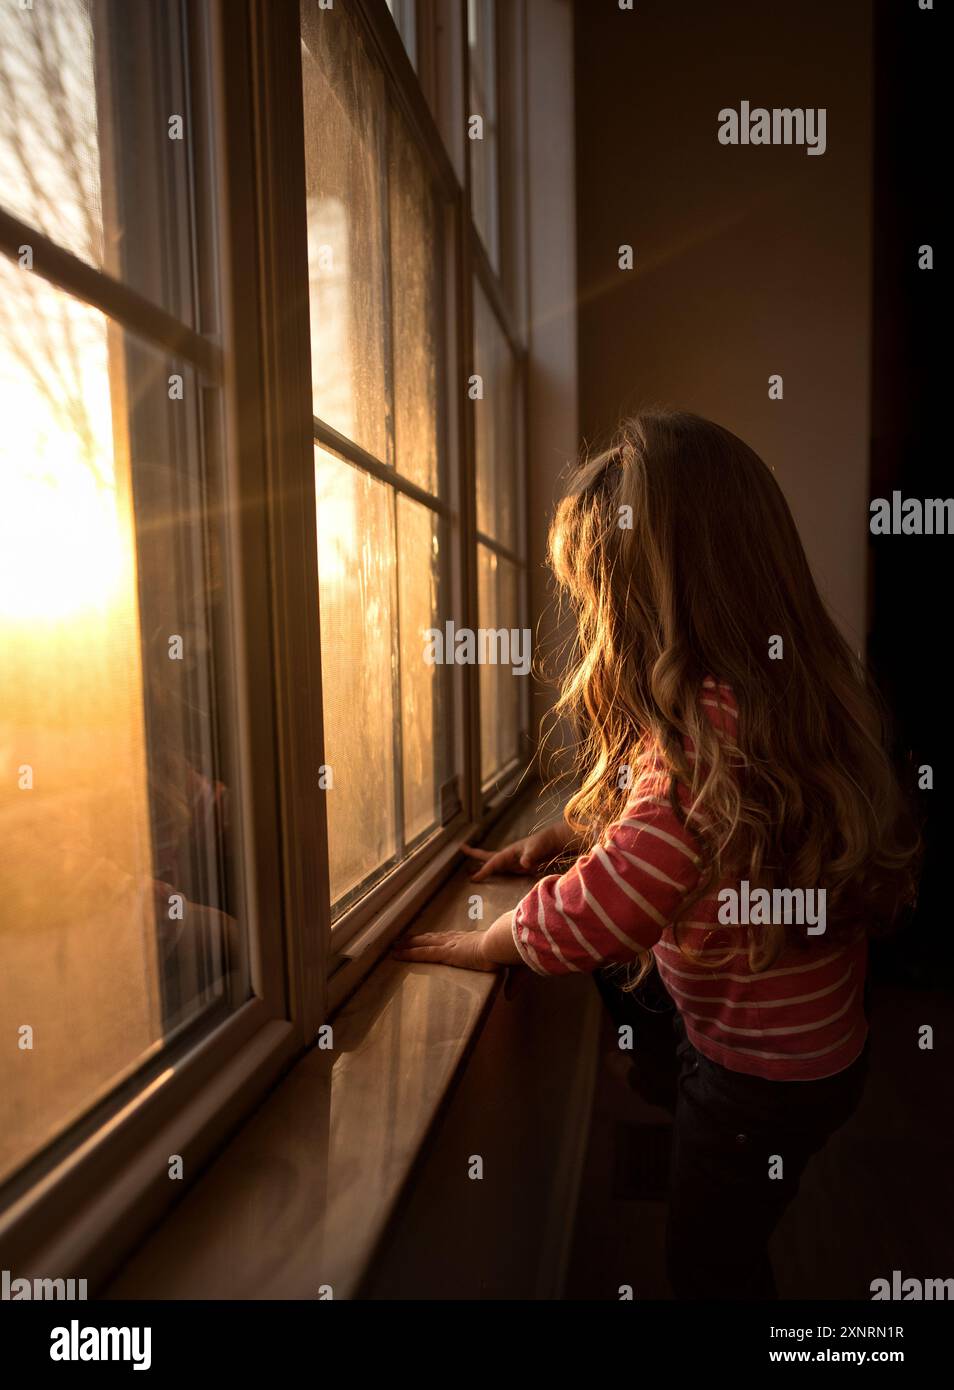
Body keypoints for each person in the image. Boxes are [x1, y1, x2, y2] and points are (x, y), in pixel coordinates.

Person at [393, 409, 919, 1299]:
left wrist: (492, 943)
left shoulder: (696, 743)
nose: (595, 622)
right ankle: (671, 1078)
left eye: (599, 597)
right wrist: (560, 835)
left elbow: (614, 901)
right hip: (824, 1056)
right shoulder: (765, 694)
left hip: (755, 1086)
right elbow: (669, 832)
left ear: (646, 601)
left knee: (710, 1264)